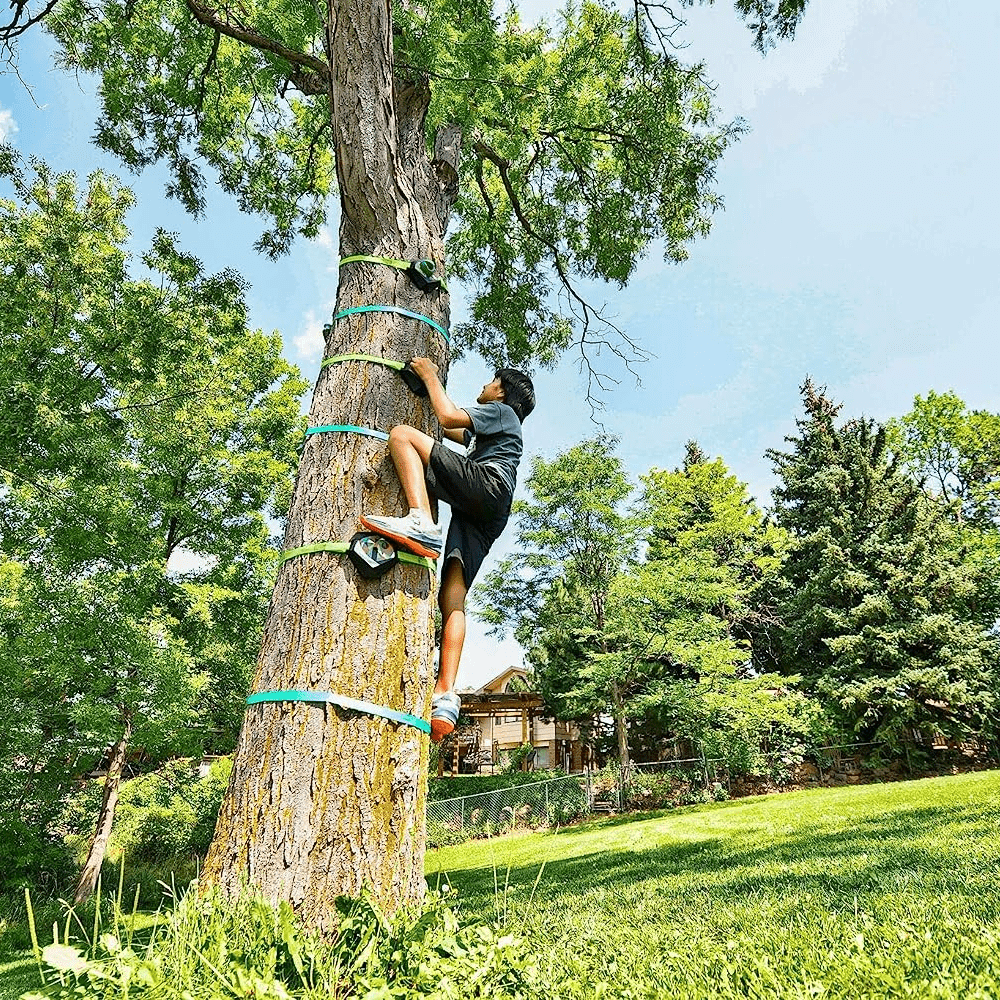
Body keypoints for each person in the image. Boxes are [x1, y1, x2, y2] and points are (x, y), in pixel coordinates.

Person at [361, 358, 535, 741]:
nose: (486, 385)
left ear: (502, 391)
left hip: (485, 486)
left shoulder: (503, 413)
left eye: (492, 381)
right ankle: (445, 694)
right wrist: (428, 392)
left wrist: (428, 375)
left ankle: (420, 518)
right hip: (487, 509)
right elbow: (452, 434)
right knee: (452, 598)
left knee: (403, 435)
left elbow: (448, 417)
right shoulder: (494, 432)